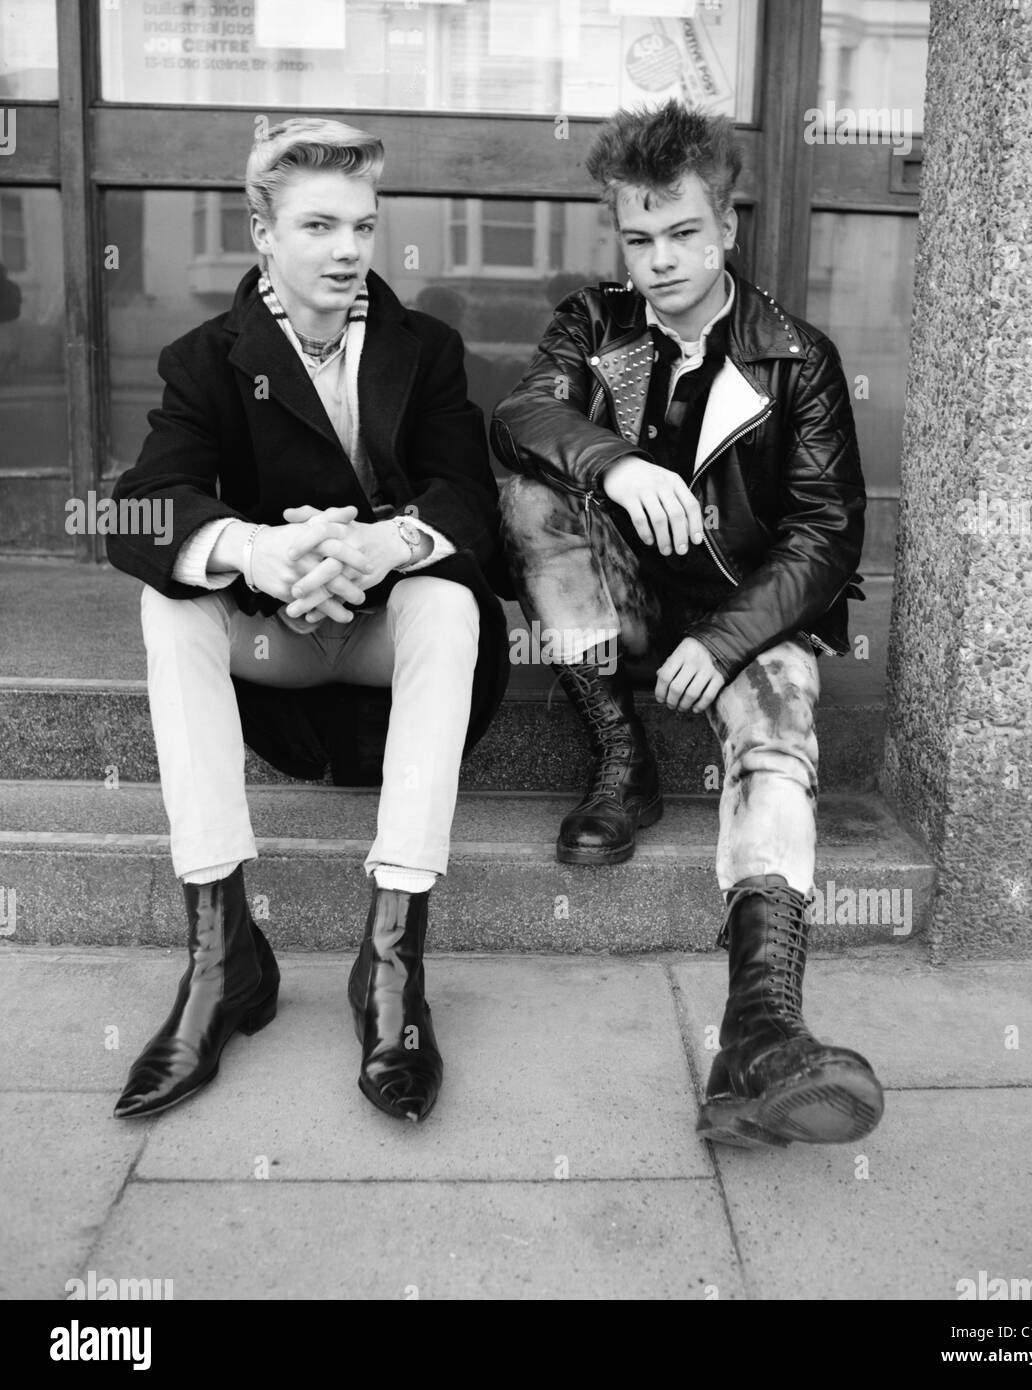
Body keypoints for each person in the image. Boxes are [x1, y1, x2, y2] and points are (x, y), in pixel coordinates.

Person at [492, 100, 884, 1149]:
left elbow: (823, 539)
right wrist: (613, 460)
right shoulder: (593, 325)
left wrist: (723, 644)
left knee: (776, 738)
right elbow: (520, 414)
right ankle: (624, 761)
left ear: (726, 228)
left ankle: (759, 1029)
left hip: (744, 620)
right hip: (623, 605)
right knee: (530, 499)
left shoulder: (796, 357)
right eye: (638, 237)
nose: (660, 261)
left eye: (683, 234)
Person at [106, 118, 507, 1125]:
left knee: (450, 596)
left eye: (362, 227)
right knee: (170, 601)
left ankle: (390, 967)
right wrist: (259, 549)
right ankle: (221, 958)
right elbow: (141, 509)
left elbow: (470, 502)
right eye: (318, 225)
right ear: (262, 234)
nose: (345, 250)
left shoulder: (427, 349)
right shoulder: (205, 359)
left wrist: (384, 545)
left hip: (377, 637)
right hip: (272, 644)